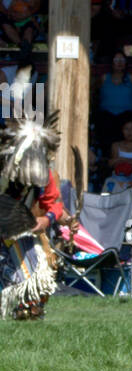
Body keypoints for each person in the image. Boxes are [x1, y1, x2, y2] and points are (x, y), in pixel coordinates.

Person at [0, 115, 73, 319]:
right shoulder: (3, 168)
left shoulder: (48, 176)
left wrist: (48, 218)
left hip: (24, 234)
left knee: (40, 268)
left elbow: (56, 205)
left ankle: (27, 307)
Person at [93, 48, 132, 154]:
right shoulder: (104, 78)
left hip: (127, 114)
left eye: (122, 60)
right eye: (116, 60)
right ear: (111, 63)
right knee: (104, 121)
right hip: (106, 113)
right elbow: (92, 91)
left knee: (126, 122)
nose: (119, 63)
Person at [105, 115, 132, 190]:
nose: (129, 132)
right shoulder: (116, 145)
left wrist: (121, 160)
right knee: (113, 181)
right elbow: (113, 164)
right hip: (120, 177)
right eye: (126, 129)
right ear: (122, 130)